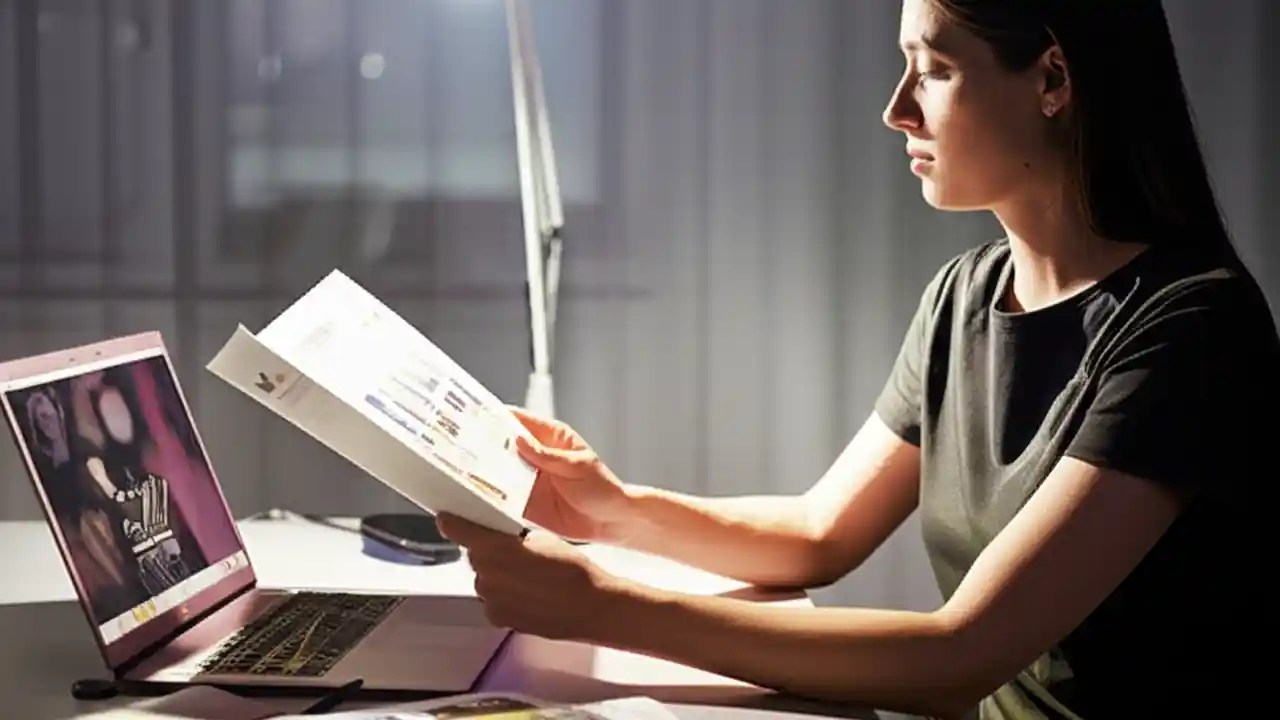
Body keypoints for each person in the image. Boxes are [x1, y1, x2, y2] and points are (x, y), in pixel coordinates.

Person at [437, 1, 1279, 717]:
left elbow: (963, 655)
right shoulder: (964, 295)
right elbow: (817, 535)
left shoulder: (1190, 328)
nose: (897, 109)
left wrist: (603, 608)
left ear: (1054, 80)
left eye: (933, 69)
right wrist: (611, 510)